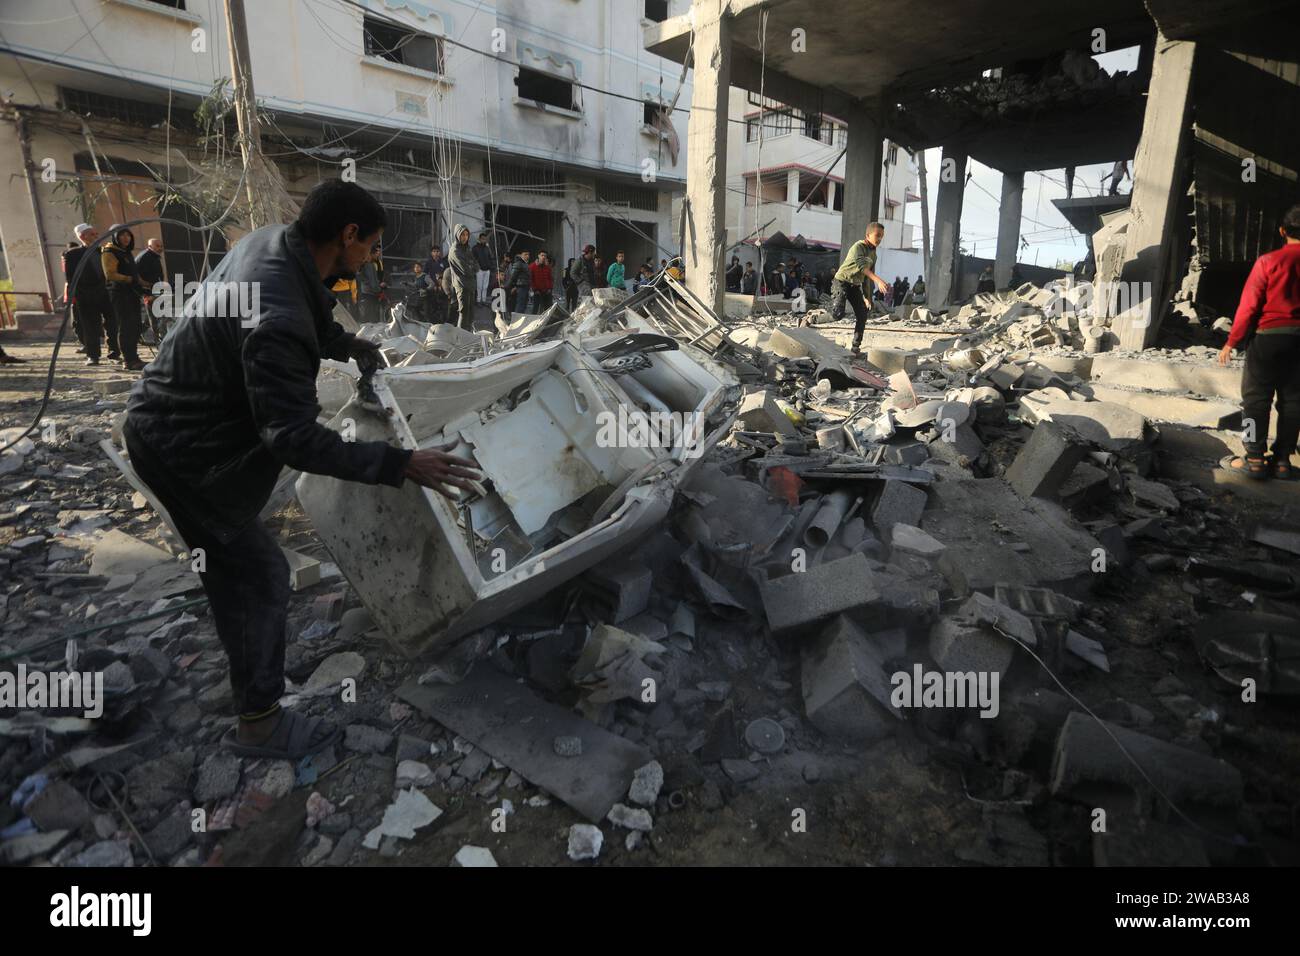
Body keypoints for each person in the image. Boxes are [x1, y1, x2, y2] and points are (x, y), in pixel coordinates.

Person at [123, 180, 481, 760]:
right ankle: (260, 725)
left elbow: (304, 305)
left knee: (230, 571)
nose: (373, 256)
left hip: (166, 419)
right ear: (347, 236)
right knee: (260, 577)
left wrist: (349, 344)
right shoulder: (280, 317)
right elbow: (292, 439)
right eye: (370, 245)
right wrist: (400, 463)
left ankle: (247, 679)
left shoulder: (271, 245)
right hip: (183, 449)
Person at [1218, 204, 1300, 480]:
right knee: (1293, 402)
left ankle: (1254, 458)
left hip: (1268, 340)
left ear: (1282, 231)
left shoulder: (1268, 261)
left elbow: (1249, 306)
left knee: (1255, 400)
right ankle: (1282, 461)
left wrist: (1233, 341)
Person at [830, 221, 888, 356]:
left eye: (882, 237)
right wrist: (879, 281)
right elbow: (863, 268)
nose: (879, 239)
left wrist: (867, 297)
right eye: (877, 235)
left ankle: (855, 348)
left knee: (862, 315)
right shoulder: (858, 247)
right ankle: (813, 319)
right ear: (868, 235)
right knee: (837, 314)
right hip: (842, 282)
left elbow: (866, 278)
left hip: (855, 286)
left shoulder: (874, 254)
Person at [62, 223, 112, 366]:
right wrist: (79, 295)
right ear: (82, 237)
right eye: (92, 234)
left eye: (96, 234)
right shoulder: (73, 254)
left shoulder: (102, 251)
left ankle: (114, 352)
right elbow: (71, 278)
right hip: (86, 295)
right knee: (90, 327)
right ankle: (93, 355)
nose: (96, 236)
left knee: (113, 323)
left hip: (104, 293)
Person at [100, 225, 148, 370]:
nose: (126, 238)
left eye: (128, 235)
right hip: (120, 294)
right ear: (115, 236)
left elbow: (135, 275)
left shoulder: (126, 253)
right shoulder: (110, 252)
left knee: (135, 326)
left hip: (131, 293)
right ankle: (129, 360)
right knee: (126, 327)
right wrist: (129, 280)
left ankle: (134, 356)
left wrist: (147, 285)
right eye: (122, 235)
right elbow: (110, 274)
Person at [136, 238, 167, 343]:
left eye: (161, 246)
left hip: (157, 290)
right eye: (157, 246)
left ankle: (138, 333)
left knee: (155, 315)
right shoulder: (144, 257)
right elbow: (136, 274)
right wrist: (146, 289)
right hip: (149, 291)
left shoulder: (154, 257)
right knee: (154, 316)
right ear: (150, 246)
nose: (160, 248)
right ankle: (158, 340)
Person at [447, 223, 477, 329]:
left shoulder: (466, 248)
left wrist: (471, 265)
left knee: (470, 313)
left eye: (466, 235)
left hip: (470, 285)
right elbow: (466, 270)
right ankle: (461, 337)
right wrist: (471, 266)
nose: (465, 237)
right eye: (462, 235)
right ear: (457, 235)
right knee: (463, 313)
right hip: (462, 285)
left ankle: (468, 335)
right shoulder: (455, 251)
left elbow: (476, 265)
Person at [356, 249, 383, 323]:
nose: (378, 255)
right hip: (371, 292)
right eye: (376, 253)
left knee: (367, 314)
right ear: (371, 254)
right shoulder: (369, 265)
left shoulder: (364, 265)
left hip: (365, 291)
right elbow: (372, 281)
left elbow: (360, 277)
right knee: (372, 315)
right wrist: (378, 290)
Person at [472, 233, 494, 304]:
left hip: (487, 269)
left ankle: (483, 300)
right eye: (483, 239)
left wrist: (490, 266)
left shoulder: (487, 248)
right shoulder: (475, 248)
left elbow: (491, 257)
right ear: (479, 239)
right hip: (479, 270)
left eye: (485, 239)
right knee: (479, 286)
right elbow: (473, 259)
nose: (484, 240)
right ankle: (478, 300)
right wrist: (476, 267)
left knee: (485, 286)